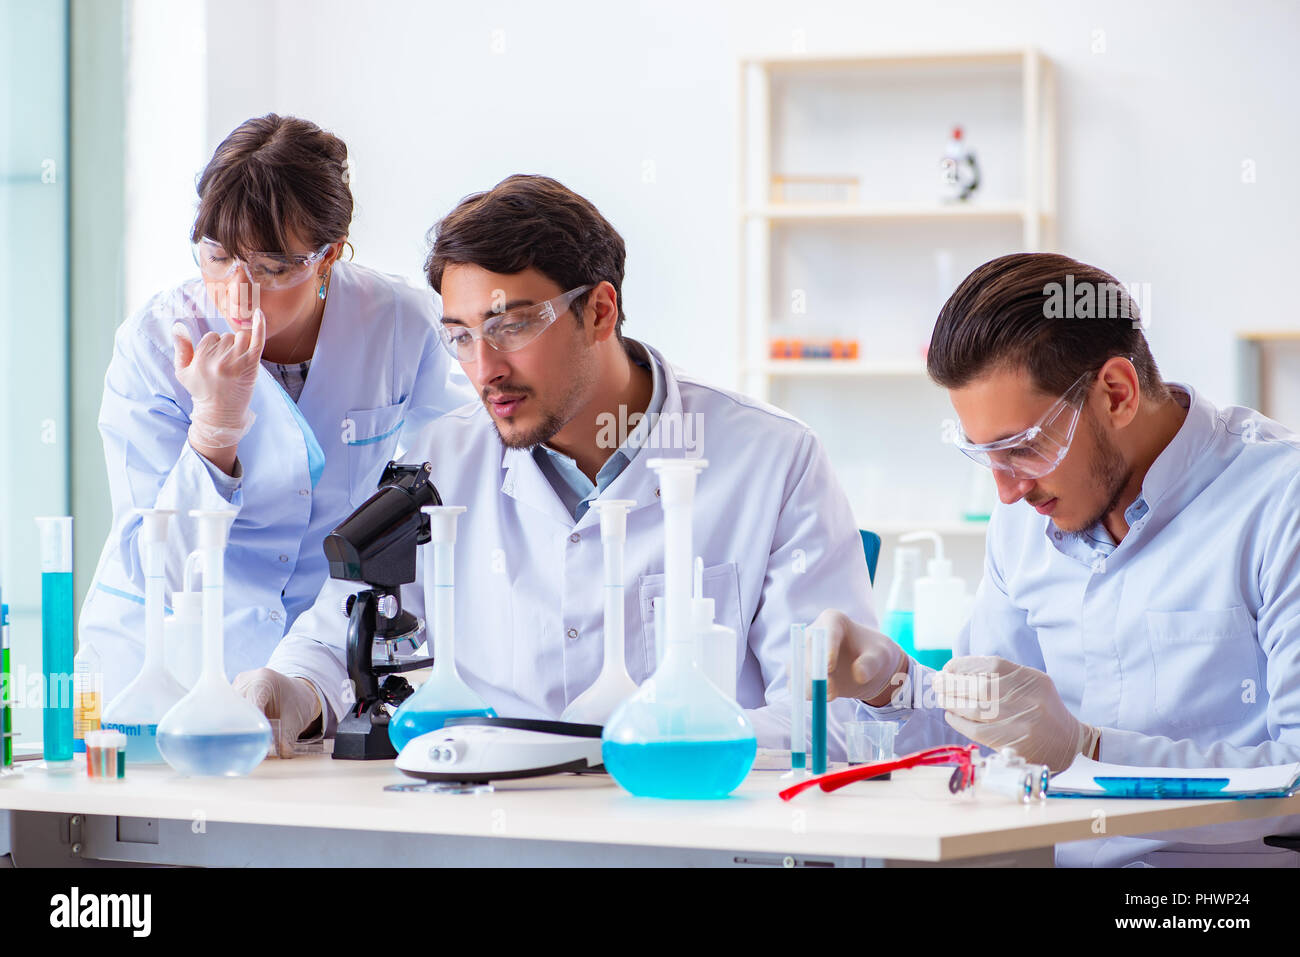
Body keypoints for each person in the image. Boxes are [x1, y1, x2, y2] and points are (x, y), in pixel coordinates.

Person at [241, 174, 875, 755]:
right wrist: (293, 690)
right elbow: (337, 630)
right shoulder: (443, 460)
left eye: (510, 326)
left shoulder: (772, 459)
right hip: (500, 827)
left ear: (599, 311)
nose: (484, 370)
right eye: (459, 336)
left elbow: (829, 716)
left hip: (685, 827)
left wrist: (629, 743)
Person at [814, 252, 1300, 867]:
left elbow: (1296, 784)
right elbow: (988, 734)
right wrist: (894, 686)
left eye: (1022, 447)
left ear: (1116, 393)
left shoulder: (1279, 501)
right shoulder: (1025, 520)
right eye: (986, 455)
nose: (1006, 490)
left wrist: (1086, 748)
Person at [80, 114, 470, 712]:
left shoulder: (398, 324)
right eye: (215, 256)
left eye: (272, 268)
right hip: (163, 667)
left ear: (329, 256)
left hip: (319, 665)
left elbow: (457, 479)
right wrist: (213, 434)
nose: (238, 292)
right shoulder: (157, 345)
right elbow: (150, 566)